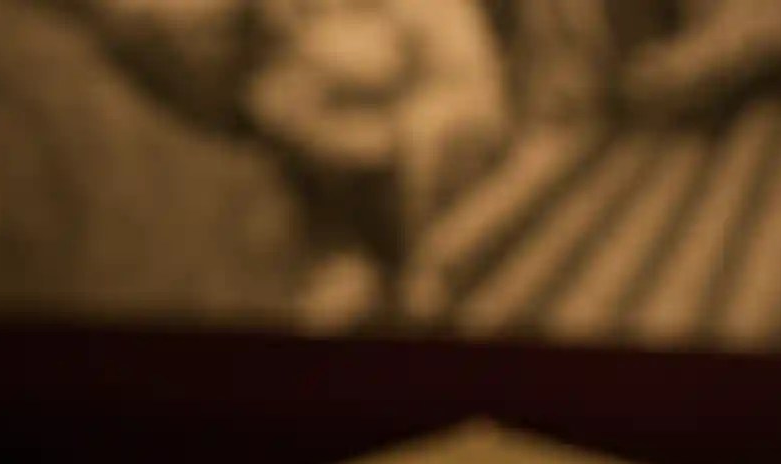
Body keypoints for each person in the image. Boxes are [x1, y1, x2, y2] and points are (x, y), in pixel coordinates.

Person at [66, 0, 509, 330]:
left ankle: (405, 272)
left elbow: (470, 95)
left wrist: (391, 132)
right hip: (308, 151)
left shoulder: (431, 13)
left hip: (404, 151)